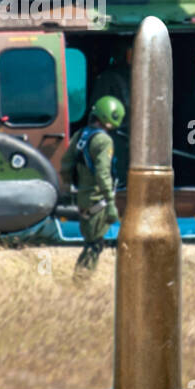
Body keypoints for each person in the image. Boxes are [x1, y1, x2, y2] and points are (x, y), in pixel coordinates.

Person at [60, 96, 124, 279]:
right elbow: (103, 174)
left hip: (83, 199)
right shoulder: (104, 141)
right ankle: (81, 281)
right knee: (94, 244)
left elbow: (66, 164)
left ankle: (80, 279)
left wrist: (71, 187)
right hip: (98, 201)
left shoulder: (81, 135)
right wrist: (110, 203)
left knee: (91, 242)